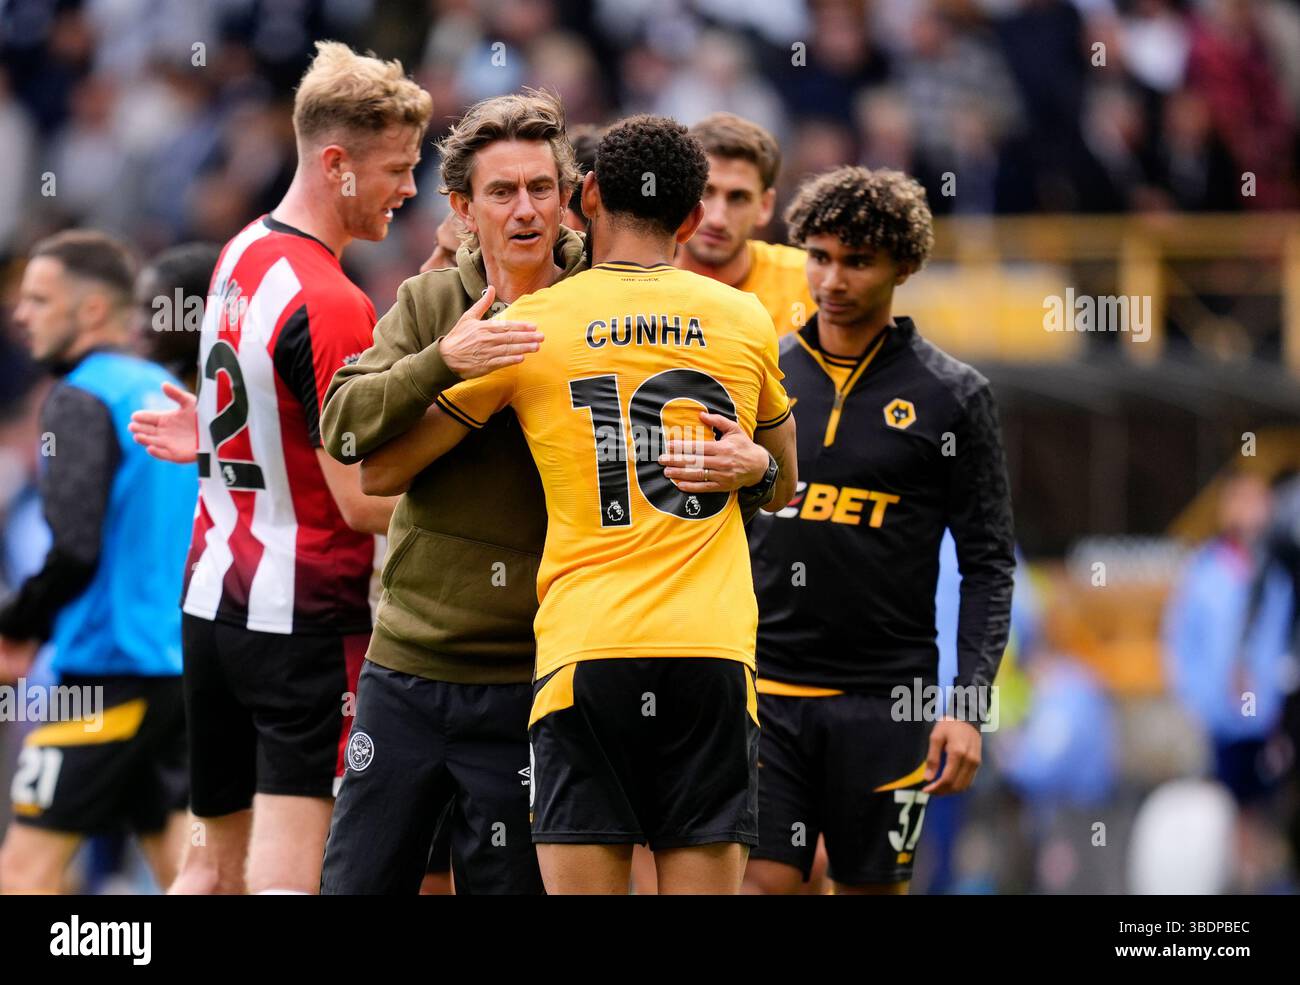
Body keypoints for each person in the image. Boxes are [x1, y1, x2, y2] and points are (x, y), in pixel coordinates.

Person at [359, 115, 798, 894]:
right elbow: (782, 483)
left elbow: (385, 468)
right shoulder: (745, 319)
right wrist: (757, 469)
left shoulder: (530, 325)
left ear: (583, 196)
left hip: (583, 657)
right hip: (712, 653)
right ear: (692, 219)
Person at [128, 41, 429, 894]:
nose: (410, 189)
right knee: (292, 875)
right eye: (398, 169)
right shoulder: (335, 300)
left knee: (209, 867)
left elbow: (267, 418)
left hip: (210, 602)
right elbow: (358, 498)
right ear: (336, 164)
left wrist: (220, 444)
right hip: (301, 621)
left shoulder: (240, 251)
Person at [318, 90, 587, 895]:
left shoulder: (602, 305)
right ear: (464, 208)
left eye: (542, 188)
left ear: (567, 197)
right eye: (501, 192)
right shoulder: (429, 302)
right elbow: (344, 426)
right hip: (408, 665)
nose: (526, 209)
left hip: (535, 678)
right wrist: (447, 359)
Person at [740, 166, 1016, 895]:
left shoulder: (953, 396)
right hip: (764, 693)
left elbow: (989, 562)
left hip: (892, 702)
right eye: (820, 255)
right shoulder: (761, 371)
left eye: (857, 261)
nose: (832, 278)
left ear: (905, 266)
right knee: (761, 882)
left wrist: (967, 707)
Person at [0, 230, 194, 892]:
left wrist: (19, 624)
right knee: (184, 870)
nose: (20, 312)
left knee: (23, 870)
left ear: (88, 311)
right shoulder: (164, 391)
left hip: (106, 675)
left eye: (38, 297)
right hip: (176, 673)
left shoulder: (81, 398)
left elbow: (76, 546)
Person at [674, 112, 815, 336]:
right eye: (705, 192)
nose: (717, 220)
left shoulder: (809, 281)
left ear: (765, 206)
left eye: (738, 197)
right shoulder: (637, 287)